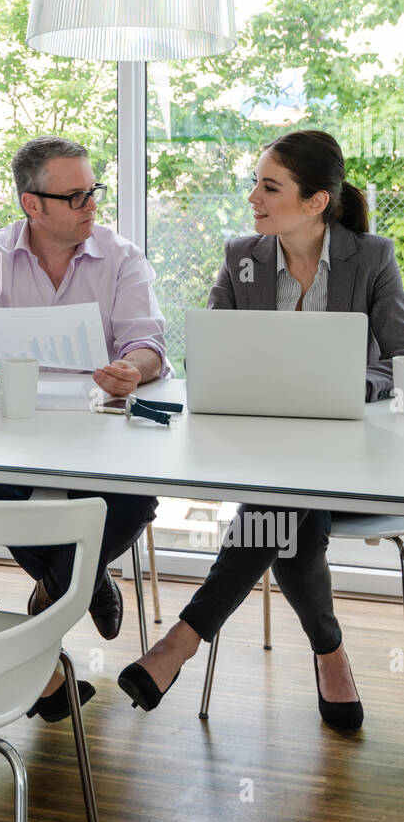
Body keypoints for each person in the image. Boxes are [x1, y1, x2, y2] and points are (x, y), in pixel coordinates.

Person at [118, 129, 404, 731]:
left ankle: (183, 641)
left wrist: (360, 385)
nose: (253, 196)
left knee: (279, 510)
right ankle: (328, 653)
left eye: (269, 186)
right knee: (287, 518)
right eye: (256, 182)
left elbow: (399, 360)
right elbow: (210, 353)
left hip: (344, 450)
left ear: (315, 202)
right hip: (265, 448)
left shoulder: (371, 257)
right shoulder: (242, 256)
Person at [0, 136, 168, 718]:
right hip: (6, 433)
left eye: (94, 191)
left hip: (100, 434)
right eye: (76, 195)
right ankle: (85, 582)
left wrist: (129, 369)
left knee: (133, 504)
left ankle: (50, 607)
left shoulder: (120, 256)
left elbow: (151, 346)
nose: (92, 205)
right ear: (32, 205)